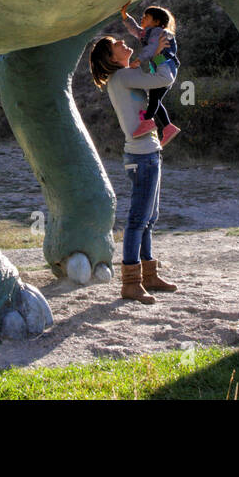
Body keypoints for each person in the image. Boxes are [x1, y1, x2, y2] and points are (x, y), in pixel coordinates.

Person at [89, 35, 180, 304]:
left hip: (149, 153)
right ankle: (131, 282)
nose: (123, 43)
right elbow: (164, 79)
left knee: (149, 218)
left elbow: (151, 76)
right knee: (138, 219)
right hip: (142, 157)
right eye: (116, 44)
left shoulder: (128, 75)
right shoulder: (122, 78)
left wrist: (155, 55)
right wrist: (165, 54)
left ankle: (148, 275)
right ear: (111, 57)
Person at [119, 3, 182, 147]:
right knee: (155, 99)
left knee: (154, 98)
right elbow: (135, 30)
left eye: (146, 17)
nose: (142, 18)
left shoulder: (159, 32)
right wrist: (125, 16)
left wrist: (139, 60)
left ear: (157, 22)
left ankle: (147, 120)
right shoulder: (148, 32)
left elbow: (153, 48)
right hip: (162, 67)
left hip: (165, 66)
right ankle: (168, 127)